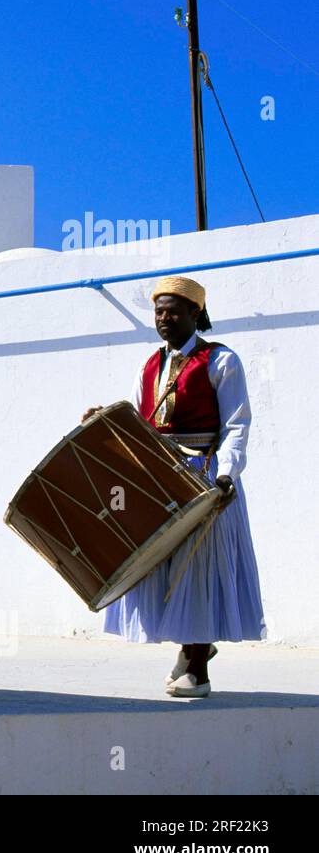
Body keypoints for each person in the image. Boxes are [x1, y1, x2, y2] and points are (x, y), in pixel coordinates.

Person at [87, 275, 265, 698]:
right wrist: (105, 418)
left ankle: (197, 670)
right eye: (158, 311)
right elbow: (138, 420)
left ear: (195, 314)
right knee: (164, 569)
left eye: (173, 311)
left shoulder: (221, 362)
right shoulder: (149, 364)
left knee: (197, 568)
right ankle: (193, 651)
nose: (163, 319)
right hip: (158, 476)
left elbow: (237, 424)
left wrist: (227, 475)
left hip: (202, 476)